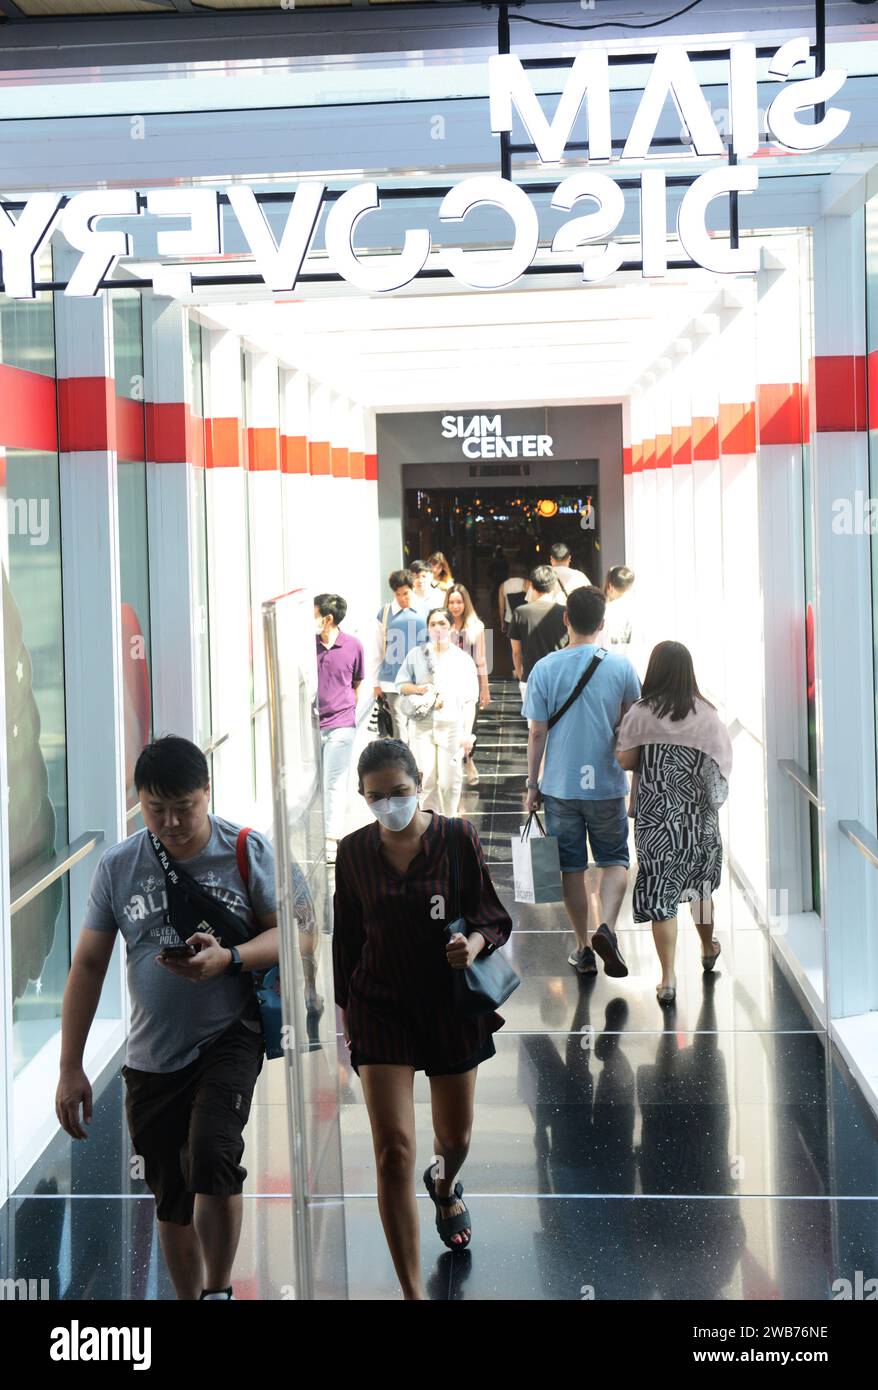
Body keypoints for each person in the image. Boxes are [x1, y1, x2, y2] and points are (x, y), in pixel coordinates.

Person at [54, 736, 297, 1301]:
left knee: (213, 1153)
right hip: (152, 1054)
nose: (170, 822)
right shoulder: (118, 866)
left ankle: (218, 1290)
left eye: (183, 807)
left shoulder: (245, 850)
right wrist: (69, 1066)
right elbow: (88, 964)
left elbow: (293, 934)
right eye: (154, 809)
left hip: (229, 1034)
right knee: (170, 1193)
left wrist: (230, 958)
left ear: (207, 792)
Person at [332, 738, 512, 1300]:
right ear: (363, 797)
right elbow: (347, 940)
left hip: (448, 1004)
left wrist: (472, 946)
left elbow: (491, 915)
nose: (389, 804)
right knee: (392, 1151)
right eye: (376, 797)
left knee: (453, 1137)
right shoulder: (354, 852)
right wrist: (345, 1018)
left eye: (400, 792)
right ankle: (412, 1291)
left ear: (420, 786)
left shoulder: (457, 838)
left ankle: (445, 1181)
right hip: (380, 1006)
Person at [523, 587, 640, 978]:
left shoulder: (544, 668)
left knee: (571, 868)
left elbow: (537, 732)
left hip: (561, 786)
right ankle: (606, 925)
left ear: (565, 619)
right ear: (602, 623)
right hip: (607, 782)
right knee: (615, 860)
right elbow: (632, 728)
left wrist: (532, 784)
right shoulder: (621, 667)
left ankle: (584, 948)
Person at [615, 641, 732, 1006]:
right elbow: (723, 766)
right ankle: (707, 948)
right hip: (699, 820)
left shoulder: (641, 711)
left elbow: (625, 760)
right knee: (701, 889)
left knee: (659, 892)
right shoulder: (708, 714)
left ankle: (667, 978)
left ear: (655, 670)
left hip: (656, 820)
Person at [397, 606, 479, 816]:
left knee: (448, 782)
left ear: (452, 627)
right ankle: (429, 826)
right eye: (432, 624)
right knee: (426, 780)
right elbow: (401, 684)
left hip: (451, 726)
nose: (437, 628)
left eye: (442, 623)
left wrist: (467, 733)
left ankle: (450, 822)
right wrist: (421, 689)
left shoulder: (463, 659)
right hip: (422, 725)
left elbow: (470, 700)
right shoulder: (416, 655)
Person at [315, 593, 365, 865]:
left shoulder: (353, 645)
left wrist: (348, 712)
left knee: (334, 781)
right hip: (312, 725)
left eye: (314, 613)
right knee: (315, 783)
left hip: (341, 724)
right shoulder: (307, 646)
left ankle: (330, 838)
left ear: (328, 618)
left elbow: (357, 683)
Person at [373, 569, 427, 744]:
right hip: (392, 680)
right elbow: (377, 650)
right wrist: (376, 683)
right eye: (398, 594)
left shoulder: (424, 611)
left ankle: (414, 758)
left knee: (419, 725)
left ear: (412, 589)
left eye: (406, 593)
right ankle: (403, 759)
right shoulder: (385, 613)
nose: (403, 598)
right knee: (399, 725)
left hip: (419, 680)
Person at [446, 583, 491, 787]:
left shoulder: (476, 626)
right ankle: (454, 764)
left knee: (469, 725)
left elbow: (481, 659)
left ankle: (469, 760)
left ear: (466, 603)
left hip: (469, 682)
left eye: (459, 602)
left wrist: (485, 688)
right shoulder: (442, 625)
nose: (455, 606)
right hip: (446, 682)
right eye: (451, 602)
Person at [508, 565, 567, 709]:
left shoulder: (520, 612)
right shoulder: (565, 612)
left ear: (532, 586)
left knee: (534, 722)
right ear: (555, 586)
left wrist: (521, 676)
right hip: (560, 679)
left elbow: (516, 653)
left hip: (531, 678)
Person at [603, 565, 637, 650]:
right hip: (639, 658)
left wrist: (596, 658)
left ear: (610, 586)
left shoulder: (605, 611)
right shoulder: (641, 609)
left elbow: (602, 646)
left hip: (610, 657)